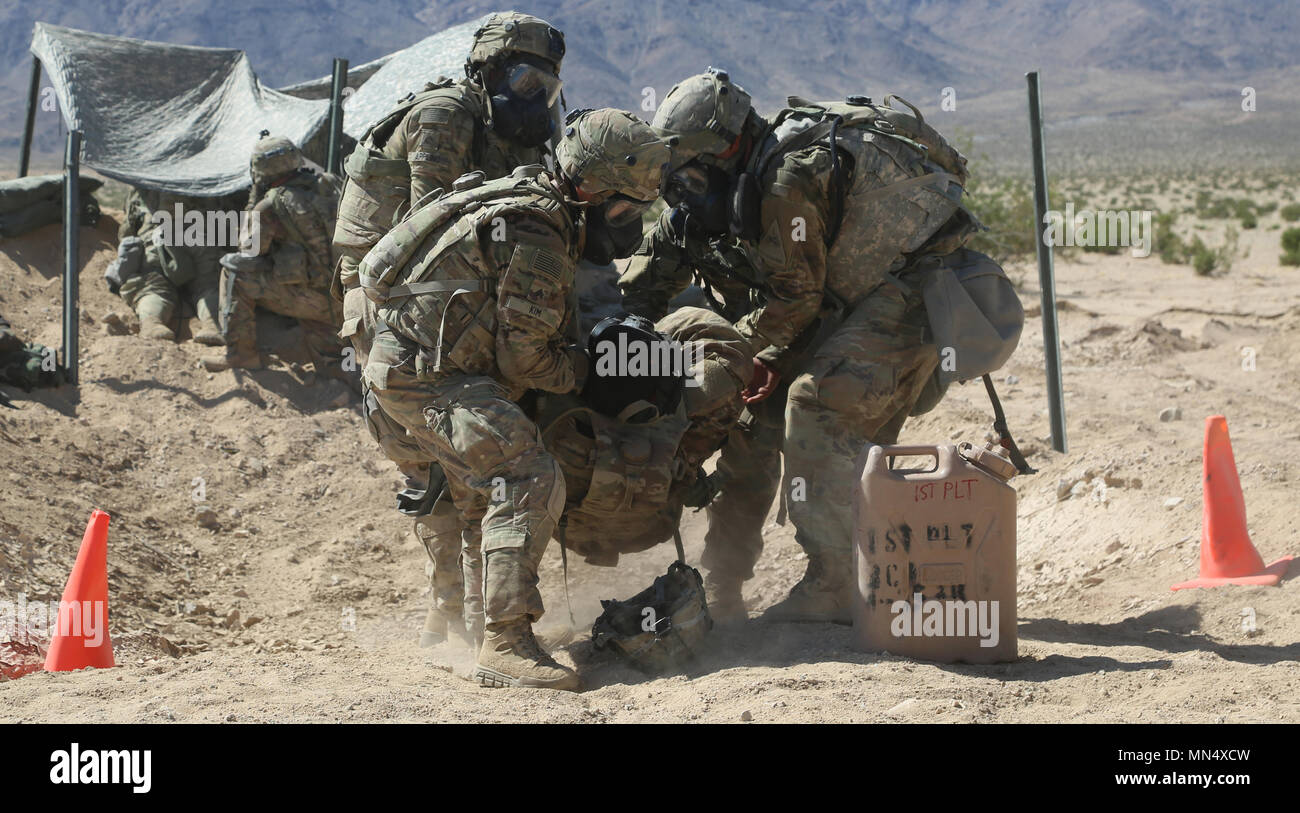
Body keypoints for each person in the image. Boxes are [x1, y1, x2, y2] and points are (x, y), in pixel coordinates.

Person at [621, 69, 978, 624]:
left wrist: (741, 356)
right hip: (831, 308)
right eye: (670, 180)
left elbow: (796, 298)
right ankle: (723, 584)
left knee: (815, 405)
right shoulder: (698, 213)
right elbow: (636, 294)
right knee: (750, 427)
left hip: (912, 290)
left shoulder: (786, 183)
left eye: (687, 177)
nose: (677, 195)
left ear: (728, 151)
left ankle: (837, 583)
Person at [362, 108, 669, 691]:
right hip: (430, 380)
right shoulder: (540, 232)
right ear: (592, 190)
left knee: (485, 495)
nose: (629, 222)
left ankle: (478, 633)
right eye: (626, 207)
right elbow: (524, 360)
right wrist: (593, 372)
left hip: (408, 368)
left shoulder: (522, 194)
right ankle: (507, 641)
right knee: (526, 473)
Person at [330, 13, 567, 634]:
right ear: (487, 72)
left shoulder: (520, 130)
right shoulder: (445, 114)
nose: (535, 97)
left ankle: (463, 611)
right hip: (386, 293)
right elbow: (427, 229)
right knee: (433, 460)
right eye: (522, 80)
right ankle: (448, 607)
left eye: (546, 85)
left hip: (445, 296)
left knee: (468, 453)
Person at [202, 134, 340, 372]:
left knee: (233, 272)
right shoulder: (330, 186)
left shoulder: (269, 205)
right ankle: (337, 367)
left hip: (310, 300)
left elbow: (247, 250)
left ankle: (241, 354)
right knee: (336, 367)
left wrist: (254, 198)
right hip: (343, 300)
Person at [113, 188, 233, 345]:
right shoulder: (207, 177)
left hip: (157, 240)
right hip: (200, 237)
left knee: (153, 285)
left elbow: (127, 230)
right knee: (208, 285)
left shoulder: (142, 182)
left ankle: (152, 323)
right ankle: (212, 325)